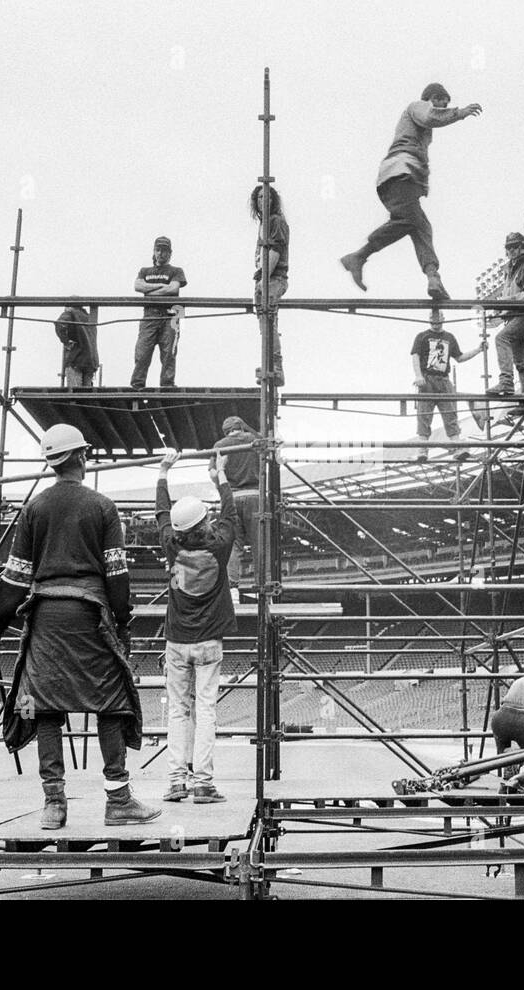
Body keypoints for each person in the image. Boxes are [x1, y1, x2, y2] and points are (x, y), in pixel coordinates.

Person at [0, 423, 158, 829]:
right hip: (89, 616)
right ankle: (118, 799)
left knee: (45, 705)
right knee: (112, 700)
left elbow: (14, 576)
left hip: (45, 618)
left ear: (51, 463)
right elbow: (117, 573)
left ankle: (54, 804)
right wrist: (122, 619)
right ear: (81, 456)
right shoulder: (102, 506)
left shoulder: (34, 508)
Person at [340, 84, 482, 301]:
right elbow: (430, 117)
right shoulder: (418, 107)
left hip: (405, 177)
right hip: (399, 173)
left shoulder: (424, 133)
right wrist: (459, 113)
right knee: (409, 220)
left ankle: (433, 277)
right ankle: (359, 256)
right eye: (440, 99)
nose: (443, 104)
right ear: (429, 98)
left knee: (422, 227)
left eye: (446, 102)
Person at [156, 448, 238, 803]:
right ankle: (203, 783)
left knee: (178, 711)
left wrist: (163, 471)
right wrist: (219, 476)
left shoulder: (170, 545)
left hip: (177, 641)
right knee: (206, 711)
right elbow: (230, 512)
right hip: (209, 642)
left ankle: (176, 781)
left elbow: (161, 510)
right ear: (204, 522)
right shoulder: (219, 546)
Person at [411, 310, 486, 463]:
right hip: (427, 379)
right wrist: (418, 376)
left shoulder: (449, 337)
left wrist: (478, 350)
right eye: (433, 320)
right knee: (424, 415)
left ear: (443, 320)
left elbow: (459, 357)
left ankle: (457, 447)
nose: (435, 323)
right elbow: (415, 356)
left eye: (438, 320)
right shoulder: (422, 336)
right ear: (429, 320)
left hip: (444, 380)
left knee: (450, 414)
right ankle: (422, 449)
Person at [487, 231, 524, 398]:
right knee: (521, 360)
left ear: (522, 247)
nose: (511, 251)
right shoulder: (510, 271)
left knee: (501, 339)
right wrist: (500, 310)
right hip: (514, 317)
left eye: (515, 247)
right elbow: (511, 295)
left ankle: (506, 381)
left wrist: (506, 301)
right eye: (509, 247)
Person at [131, 236, 187, 389]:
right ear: (154, 251)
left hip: (172, 315)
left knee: (169, 353)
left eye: (164, 251)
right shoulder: (144, 271)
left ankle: (167, 385)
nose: (161, 253)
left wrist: (150, 291)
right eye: (158, 250)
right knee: (142, 352)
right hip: (149, 316)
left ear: (170, 253)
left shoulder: (176, 271)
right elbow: (137, 286)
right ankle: (137, 385)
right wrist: (163, 286)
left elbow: (173, 288)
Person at [212, 416, 259, 594]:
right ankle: (264, 590)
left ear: (226, 431)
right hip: (256, 496)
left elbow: (213, 473)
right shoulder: (256, 439)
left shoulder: (219, 445)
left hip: (231, 497)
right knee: (260, 544)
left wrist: (222, 486)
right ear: (242, 426)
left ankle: (232, 591)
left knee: (233, 545)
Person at [250, 184, 287, 387]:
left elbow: (275, 252)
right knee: (266, 324)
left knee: (268, 320)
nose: (263, 200)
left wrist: (264, 279)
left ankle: (275, 366)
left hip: (273, 278)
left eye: (267, 196)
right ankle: (270, 364)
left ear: (273, 200)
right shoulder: (264, 224)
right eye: (259, 196)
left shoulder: (275, 221)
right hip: (265, 278)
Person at [55, 302, 99, 387]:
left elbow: (60, 324)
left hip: (76, 359)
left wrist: (66, 342)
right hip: (91, 361)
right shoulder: (89, 317)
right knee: (86, 395)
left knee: (74, 393)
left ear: (69, 306)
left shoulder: (71, 313)